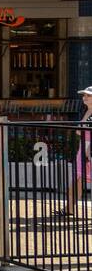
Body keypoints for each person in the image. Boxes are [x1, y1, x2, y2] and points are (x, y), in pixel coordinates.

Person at [55, 86, 92, 218]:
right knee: (78, 179)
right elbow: (79, 131)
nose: (85, 97)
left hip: (88, 149)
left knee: (78, 179)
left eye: (88, 95)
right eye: (84, 95)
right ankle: (69, 208)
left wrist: (88, 150)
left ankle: (69, 208)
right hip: (83, 148)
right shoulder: (86, 111)